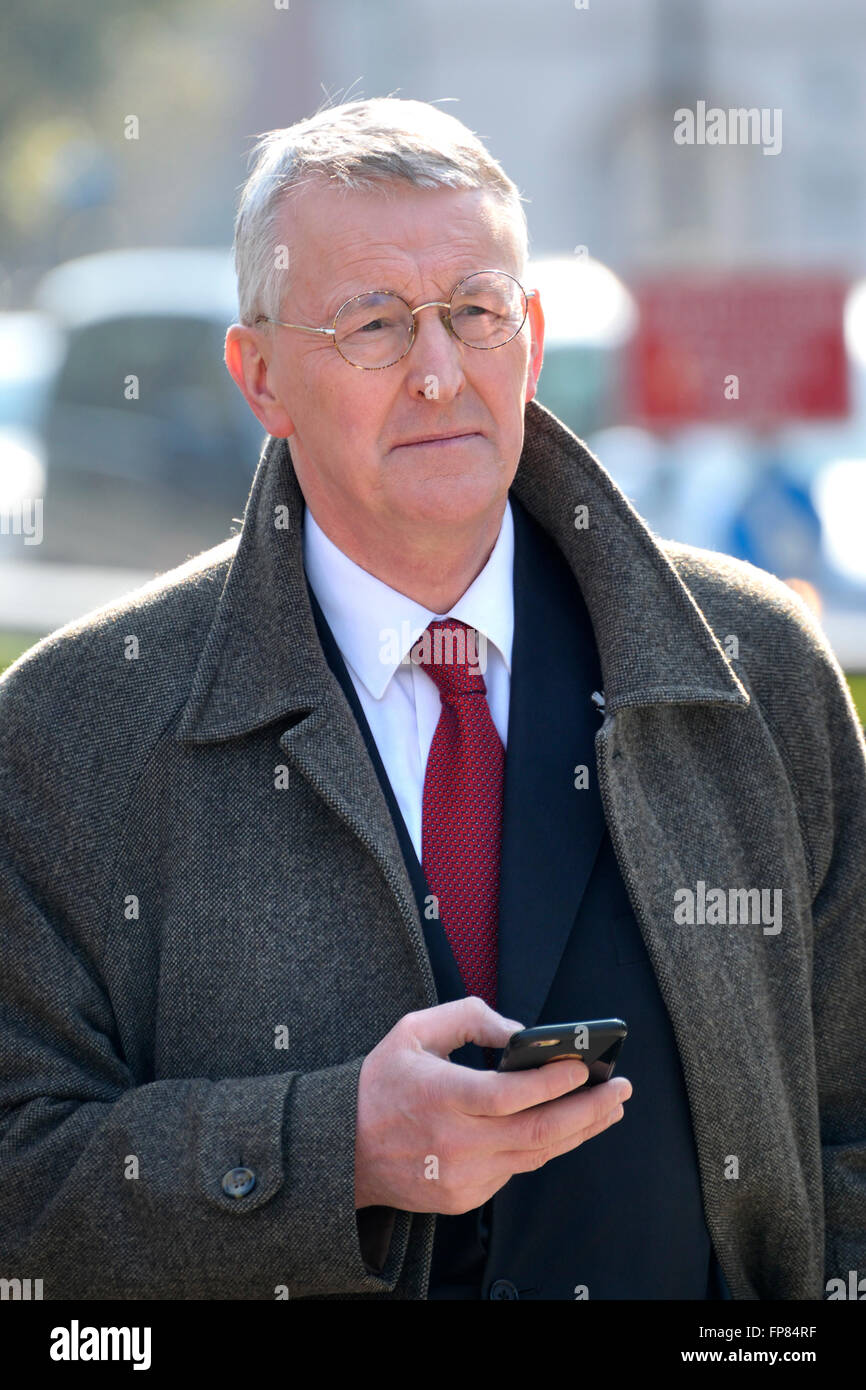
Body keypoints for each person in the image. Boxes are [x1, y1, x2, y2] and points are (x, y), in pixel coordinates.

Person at [1, 98, 864, 1302]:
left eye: (474, 311)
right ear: (259, 376)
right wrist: (329, 1150)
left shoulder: (755, 670)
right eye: (372, 325)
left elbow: (849, 1134)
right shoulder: (66, 731)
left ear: (532, 334)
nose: (438, 371)